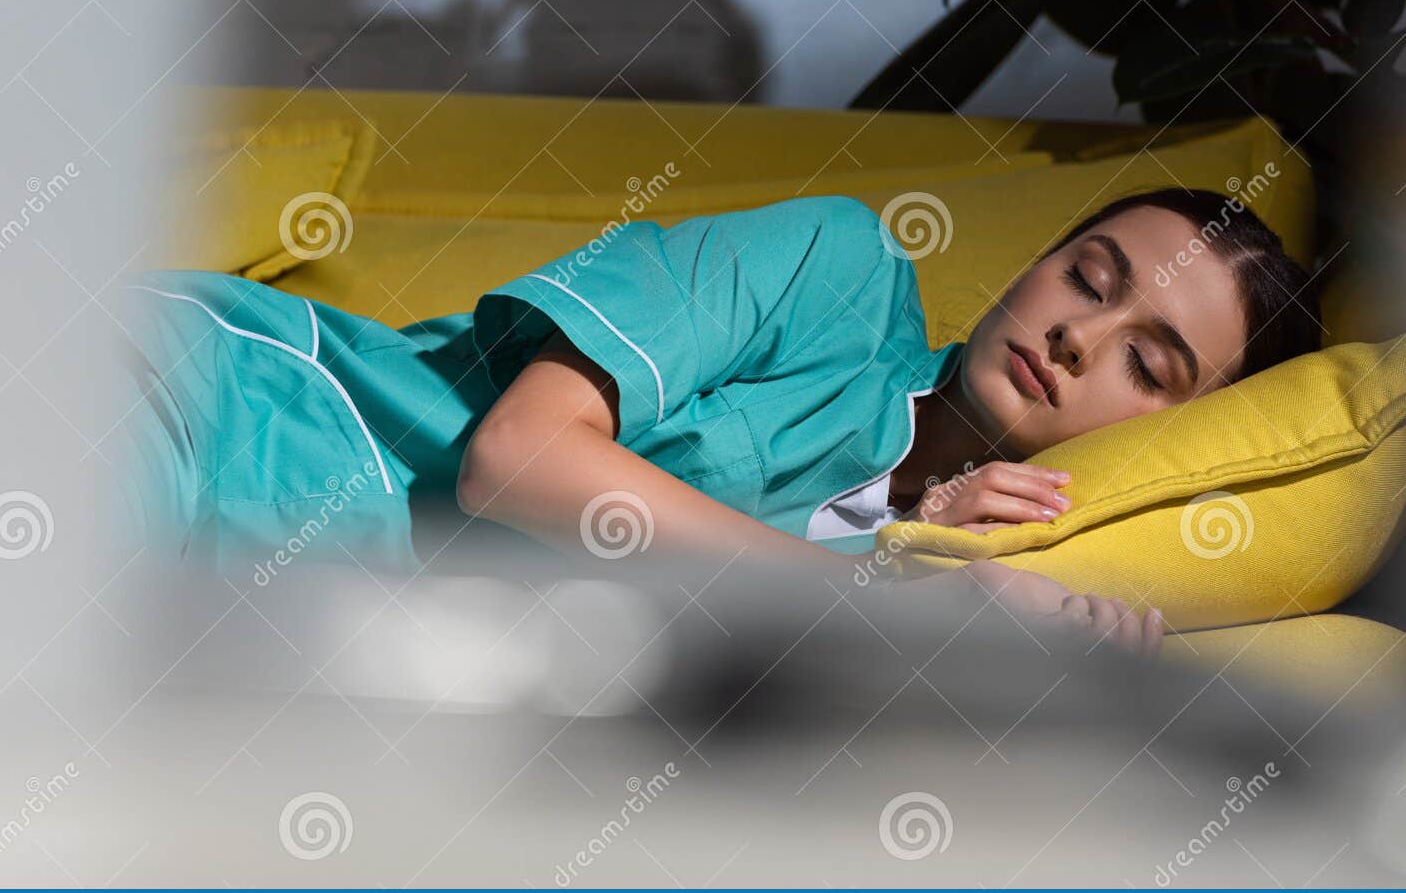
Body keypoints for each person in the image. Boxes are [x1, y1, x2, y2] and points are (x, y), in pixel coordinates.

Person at [109, 190, 1320, 659]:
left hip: (273, 639)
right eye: (1087, 279)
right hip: (205, 406)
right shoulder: (838, 269)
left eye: (1147, 365)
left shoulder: (939, 560)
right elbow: (515, 461)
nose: (1077, 339)